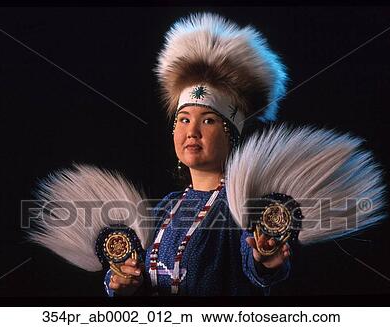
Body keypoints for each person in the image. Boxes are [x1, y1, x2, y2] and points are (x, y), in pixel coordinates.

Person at [105, 12, 290, 296]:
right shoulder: (165, 208)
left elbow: (257, 264)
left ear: (231, 135)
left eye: (208, 120)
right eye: (183, 119)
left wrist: (264, 259)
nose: (192, 131)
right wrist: (121, 280)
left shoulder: (243, 206)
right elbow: (137, 272)